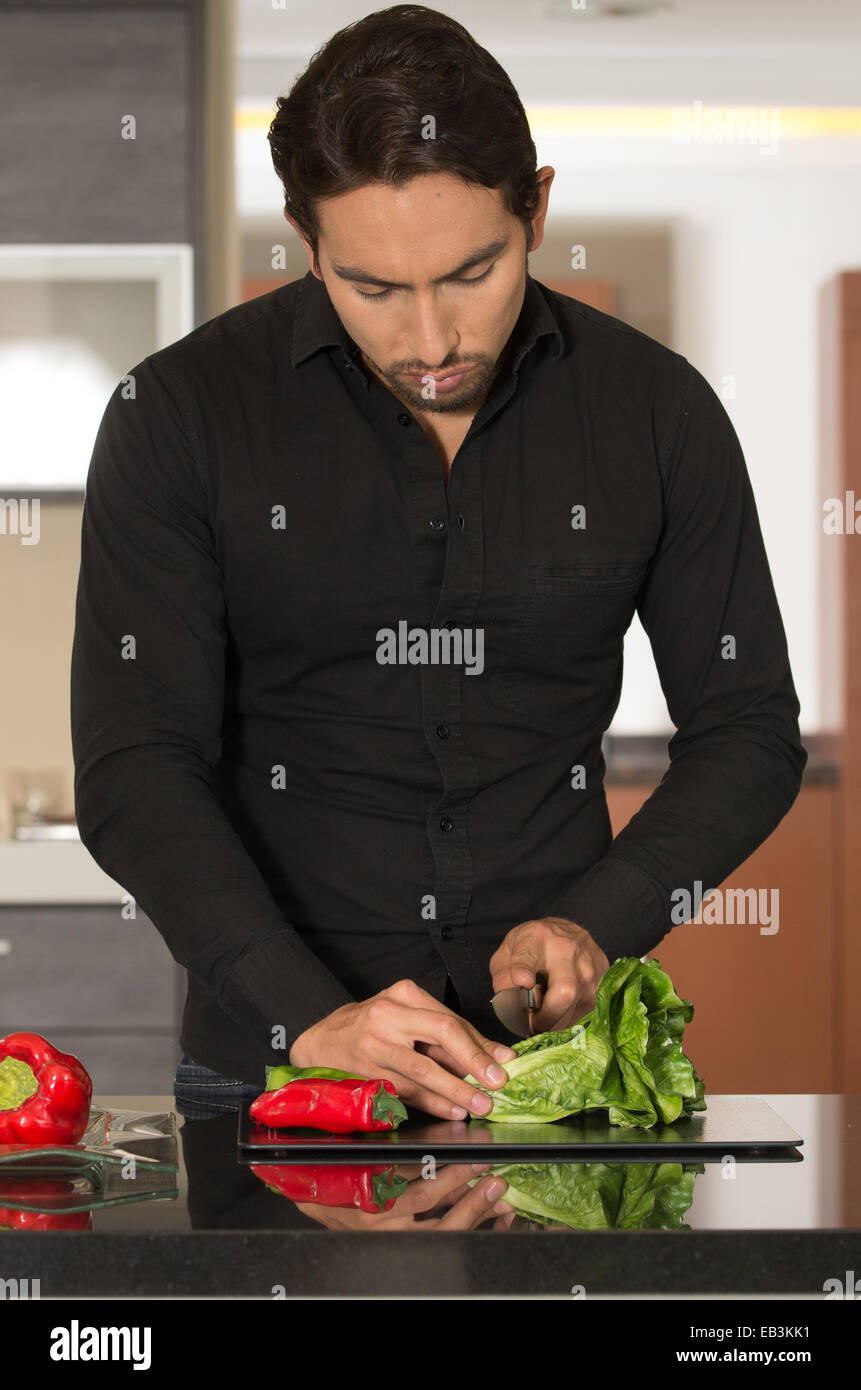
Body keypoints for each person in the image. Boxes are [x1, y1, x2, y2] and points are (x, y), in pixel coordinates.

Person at [71, 5, 806, 1125]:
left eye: (472, 272)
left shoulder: (658, 413)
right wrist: (306, 1014)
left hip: (550, 1074)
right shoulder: (178, 416)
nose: (430, 341)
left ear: (538, 209)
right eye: (372, 288)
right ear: (305, 242)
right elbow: (134, 766)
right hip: (271, 1068)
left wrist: (595, 923)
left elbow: (748, 730)